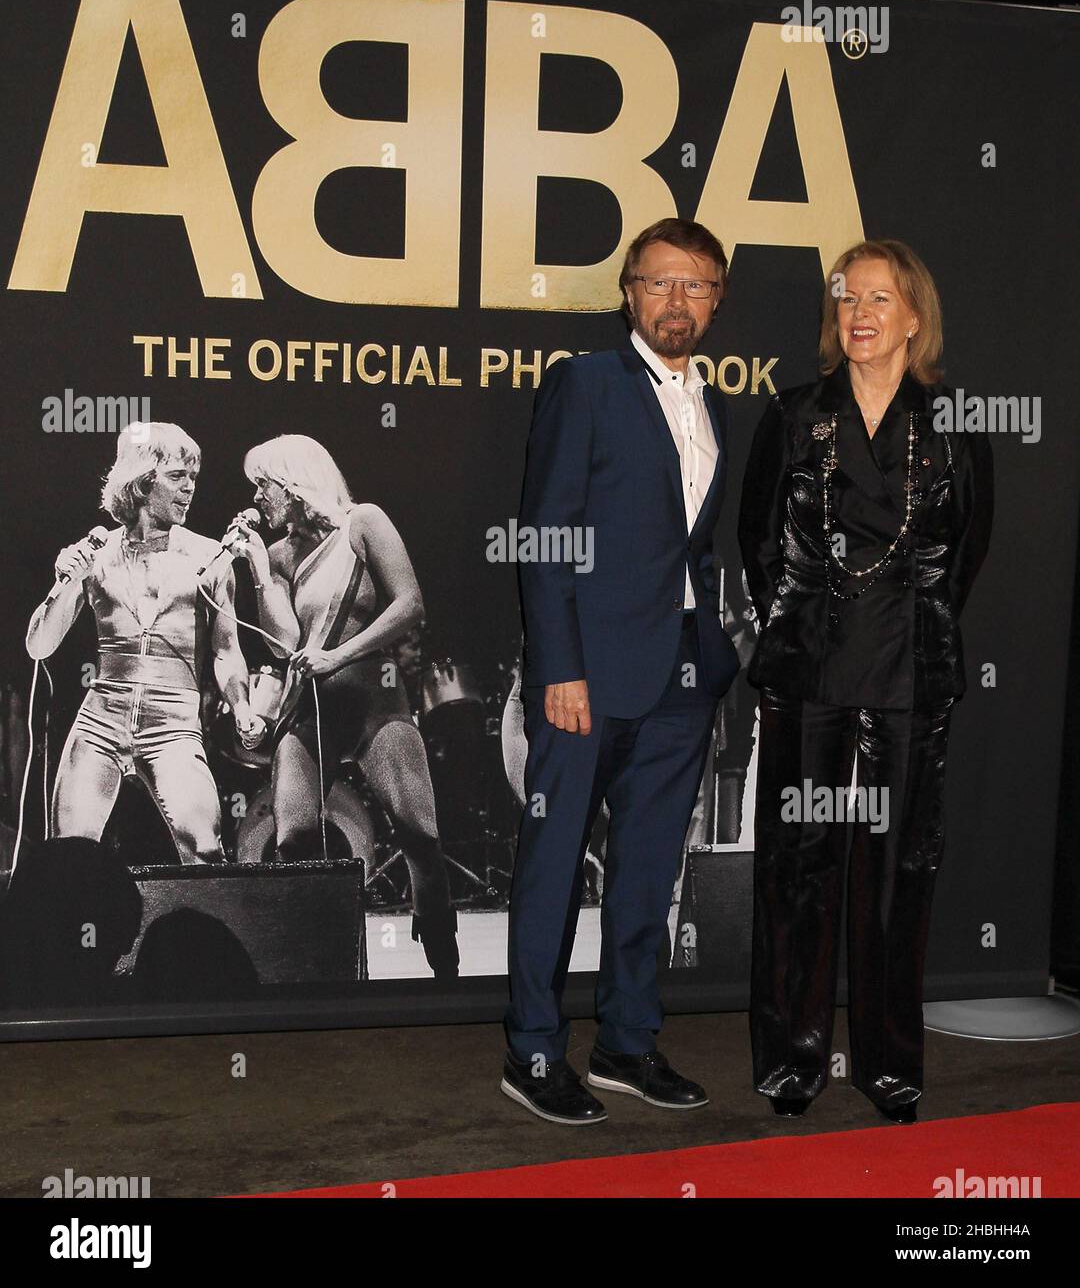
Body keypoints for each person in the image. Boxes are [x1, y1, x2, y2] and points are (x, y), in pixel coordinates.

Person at [737, 239, 993, 1123]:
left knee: (896, 872)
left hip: (908, 670)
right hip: (812, 668)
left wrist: (911, 624)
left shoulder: (954, 424)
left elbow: (965, 554)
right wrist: (804, 619)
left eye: (881, 299)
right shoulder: (795, 413)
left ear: (913, 319)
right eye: (848, 298)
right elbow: (759, 543)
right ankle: (793, 1059)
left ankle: (888, 1061)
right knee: (798, 865)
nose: (860, 312)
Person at [502, 217, 740, 1124]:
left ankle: (627, 1044)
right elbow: (545, 533)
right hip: (588, 679)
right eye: (659, 282)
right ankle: (531, 1049)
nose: (677, 300)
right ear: (629, 293)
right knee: (555, 867)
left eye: (697, 285)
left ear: (717, 300)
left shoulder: (715, 403)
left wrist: (714, 647)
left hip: (683, 676)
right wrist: (557, 667)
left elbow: (693, 541)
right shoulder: (586, 384)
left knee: (648, 871)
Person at [234, 435, 459, 978]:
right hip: (311, 712)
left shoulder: (364, 523)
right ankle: (324, 968)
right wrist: (260, 572)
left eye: (263, 485)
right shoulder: (282, 555)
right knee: (295, 839)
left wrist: (338, 654)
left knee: (420, 832)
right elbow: (284, 643)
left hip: (376, 704)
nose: (258, 498)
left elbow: (410, 604)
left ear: (292, 483)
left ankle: (443, 960)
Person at [25, 422, 261, 863]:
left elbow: (226, 650)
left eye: (194, 478)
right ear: (142, 478)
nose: (189, 488)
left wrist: (243, 708)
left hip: (172, 724)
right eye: (177, 476)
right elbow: (39, 646)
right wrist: (66, 581)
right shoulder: (95, 553)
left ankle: (203, 934)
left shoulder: (208, 556)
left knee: (204, 848)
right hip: (101, 719)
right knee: (69, 854)